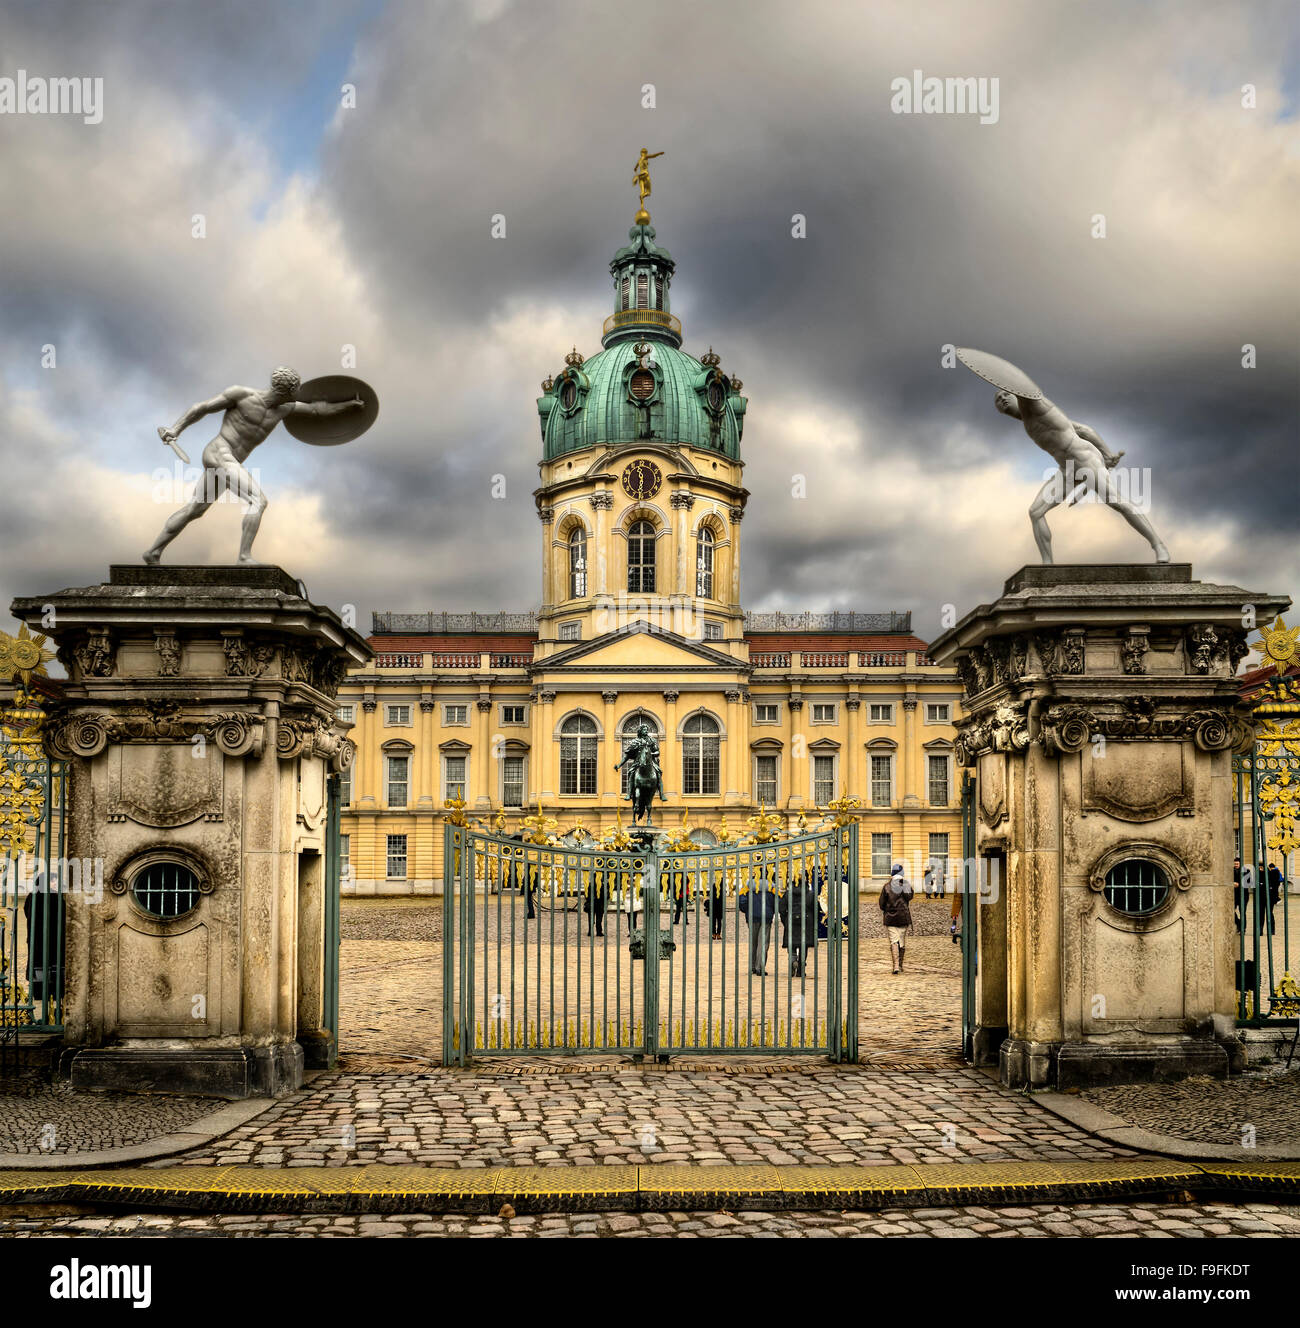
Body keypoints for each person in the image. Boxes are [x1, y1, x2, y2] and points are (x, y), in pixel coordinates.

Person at [145, 367, 365, 565]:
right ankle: (244, 557)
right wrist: (175, 429)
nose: (299, 393)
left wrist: (350, 405)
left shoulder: (284, 409)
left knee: (195, 510)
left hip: (230, 461)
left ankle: (153, 552)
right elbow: (201, 408)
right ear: (287, 390)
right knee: (258, 501)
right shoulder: (241, 395)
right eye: (296, 389)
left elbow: (318, 410)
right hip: (219, 453)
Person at [739, 868, 778, 976]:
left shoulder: (748, 884)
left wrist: (747, 910)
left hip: (752, 916)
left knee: (753, 942)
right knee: (763, 943)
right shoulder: (772, 886)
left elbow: (742, 900)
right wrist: (772, 910)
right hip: (766, 916)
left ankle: (752, 967)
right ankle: (759, 967)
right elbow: (778, 901)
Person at [781, 869, 820, 977]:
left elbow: (782, 909)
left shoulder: (788, 894)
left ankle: (793, 961)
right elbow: (817, 910)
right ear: (807, 880)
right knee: (804, 947)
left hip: (791, 922)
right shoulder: (810, 894)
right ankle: (801, 970)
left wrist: (786, 921)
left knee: (792, 946)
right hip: (806, 923)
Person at [879, 862, 913, 975]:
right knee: (901, 941)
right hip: (903, 917)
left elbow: (881, 903)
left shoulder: (886, 886)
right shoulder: (905, 884)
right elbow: (910, 896)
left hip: (890, 918)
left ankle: (895, 966)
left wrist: (887, 909)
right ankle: (900, 965)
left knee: (894, 941)